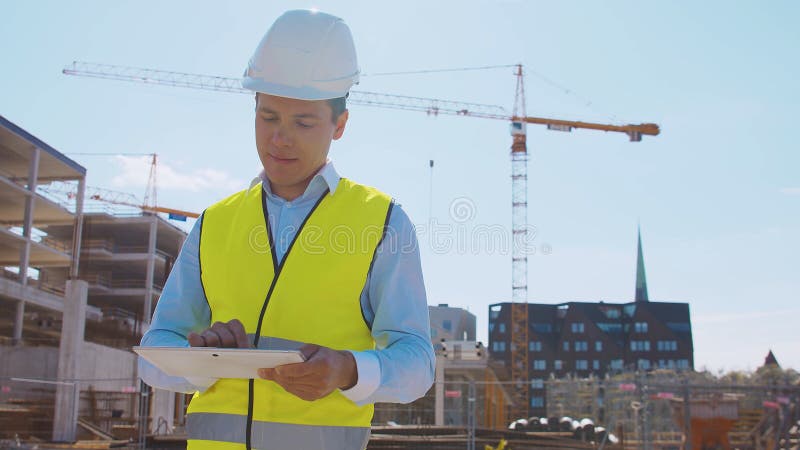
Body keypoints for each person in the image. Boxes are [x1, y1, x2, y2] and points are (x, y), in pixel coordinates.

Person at [138, 9, 435, 450]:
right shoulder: (215, 222)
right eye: (268, 117)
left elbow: (417, 363)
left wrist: (348, 370)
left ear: (340, 124)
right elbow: (155, 352)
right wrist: (204, 359)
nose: (280, 138)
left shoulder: (382, 221)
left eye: (303, 122)